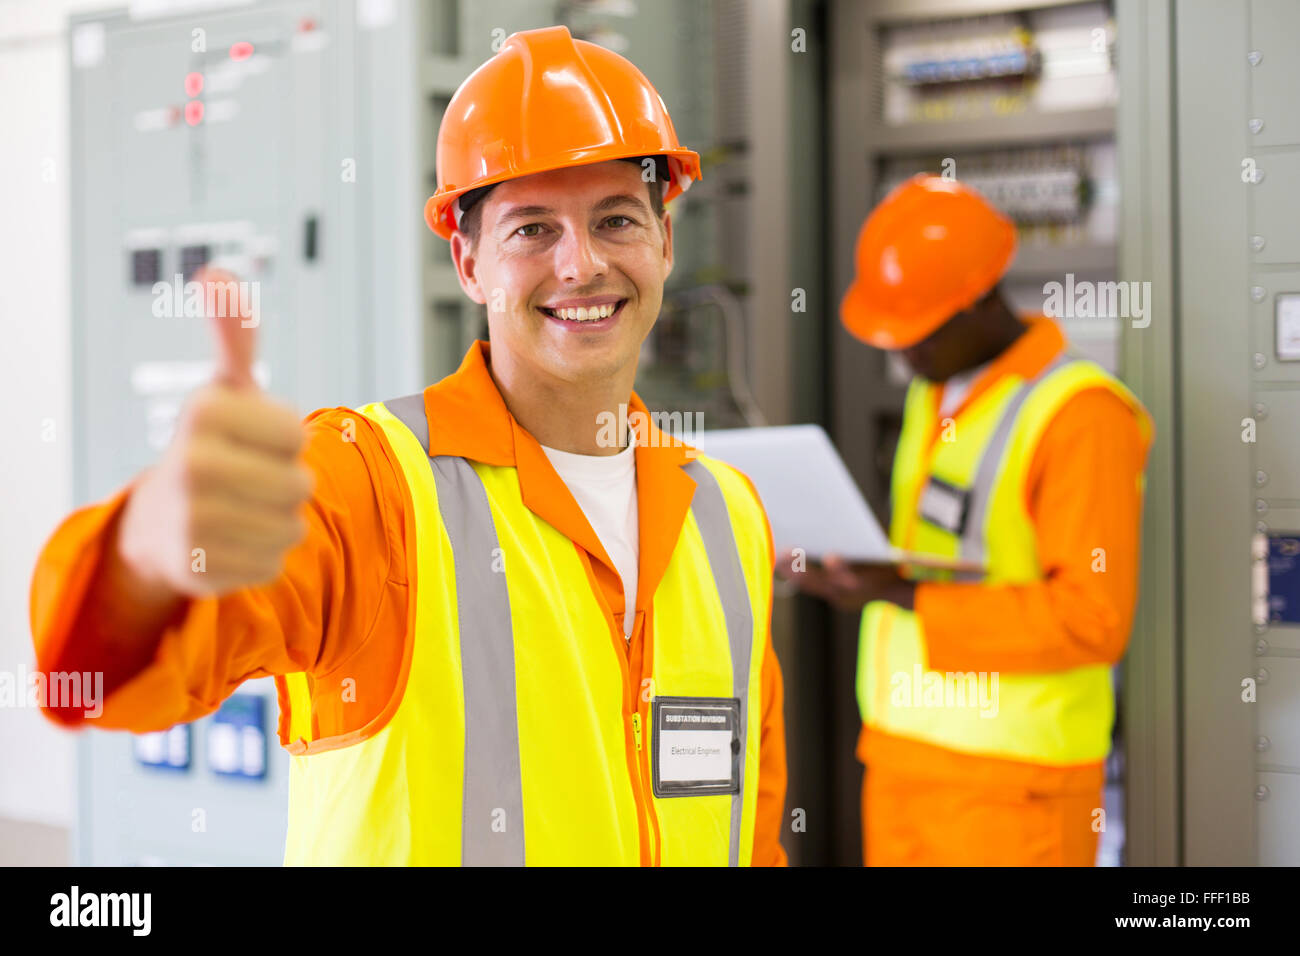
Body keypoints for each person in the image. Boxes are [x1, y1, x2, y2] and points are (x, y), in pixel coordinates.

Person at [31, 25, 787, 866]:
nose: (581, 266)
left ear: (665, 243)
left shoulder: (729, 517)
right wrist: (145, 561)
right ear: (468, 264)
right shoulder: (371, 482)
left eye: (616, 220)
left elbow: (748, 826)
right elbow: (97, 685)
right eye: (532, 230)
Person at [783, 173, 1153, 866]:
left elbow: (1091, 619)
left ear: (981, 299)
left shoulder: (1081, 416)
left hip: (1015, 790)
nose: (904, 356)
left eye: (918, 334)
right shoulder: (940, 389)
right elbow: (937, 554)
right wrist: (851, 573)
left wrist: (894, 592)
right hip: (902, 759)